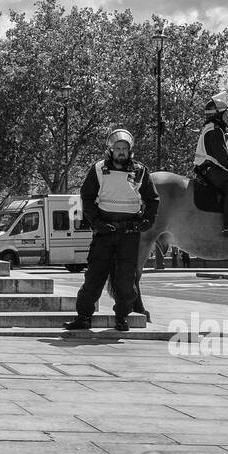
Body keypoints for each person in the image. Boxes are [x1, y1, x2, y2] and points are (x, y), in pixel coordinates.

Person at [64, 129, 159, 332]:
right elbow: (87, 197)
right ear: (111, 150)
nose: (121, 152)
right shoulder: (98, 169)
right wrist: (96, 222)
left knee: (125, 280)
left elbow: (153, 199)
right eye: (118, 148)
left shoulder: (140, 171)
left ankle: (122, 317)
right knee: (94, 277)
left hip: (129, 233)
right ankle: (83, 317)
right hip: (104, 232)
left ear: (130, 150)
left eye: (125, 148)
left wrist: (147, 221)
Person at [193, 91, 228, 237]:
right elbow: (222, 156)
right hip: (210, 169)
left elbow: (225, 155)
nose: (227, 117)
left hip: (212, 166)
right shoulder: (214, 130)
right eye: (225, 114)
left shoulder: (216, 129)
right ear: (217, 115)